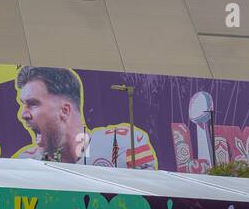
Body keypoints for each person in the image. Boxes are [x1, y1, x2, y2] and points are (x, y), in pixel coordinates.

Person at [12, 66, 157, 169]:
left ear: (64, 110)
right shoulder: (26, 162)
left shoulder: (122, 146)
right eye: (23, 104)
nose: (23, 115)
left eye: (32, 104)